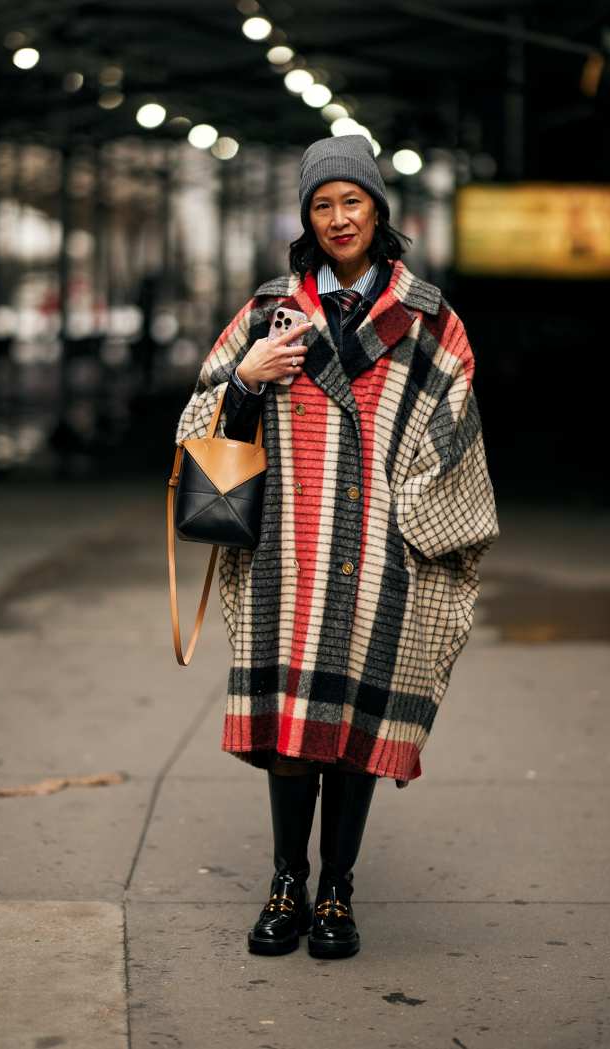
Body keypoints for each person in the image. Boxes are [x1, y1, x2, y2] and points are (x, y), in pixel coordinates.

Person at [175, 134, 500, 959]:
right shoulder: (266, 313)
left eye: (351, 200)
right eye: (322, 205)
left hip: (377, 558)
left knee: (352, 729)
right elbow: (198, 430)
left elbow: (455, 431)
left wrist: (407, 520)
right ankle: (286, 880)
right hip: (285, 554)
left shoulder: (427, 320)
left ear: (378, 209)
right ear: (307, 220)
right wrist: (248, 377)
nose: (338, 217)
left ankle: (336, 892)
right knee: (290, 732)